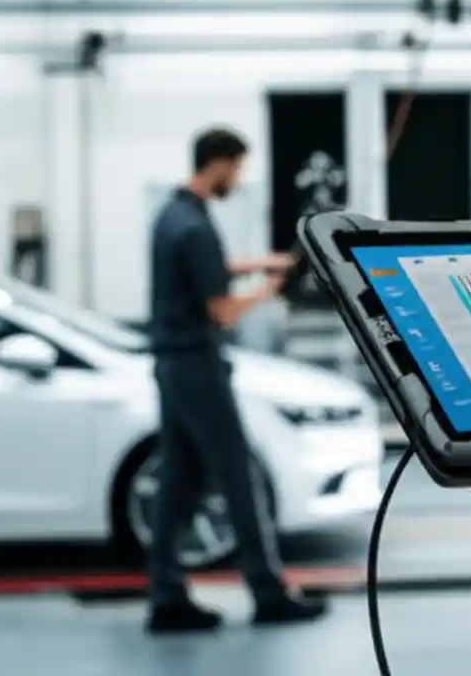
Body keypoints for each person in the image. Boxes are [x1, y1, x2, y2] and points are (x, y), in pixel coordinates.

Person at [146, 127, 325, 633]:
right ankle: (268, 592)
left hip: (172, 364)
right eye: (238, 168)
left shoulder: (172, 215)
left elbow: (209, 270)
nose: (238, 178)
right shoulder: (196, 226)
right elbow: (222, 310)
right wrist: (268, 290)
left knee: (180, 483)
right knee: (239, 474)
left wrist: (264, 262)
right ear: (219, 164)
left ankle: (166, 596)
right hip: (198, 365)